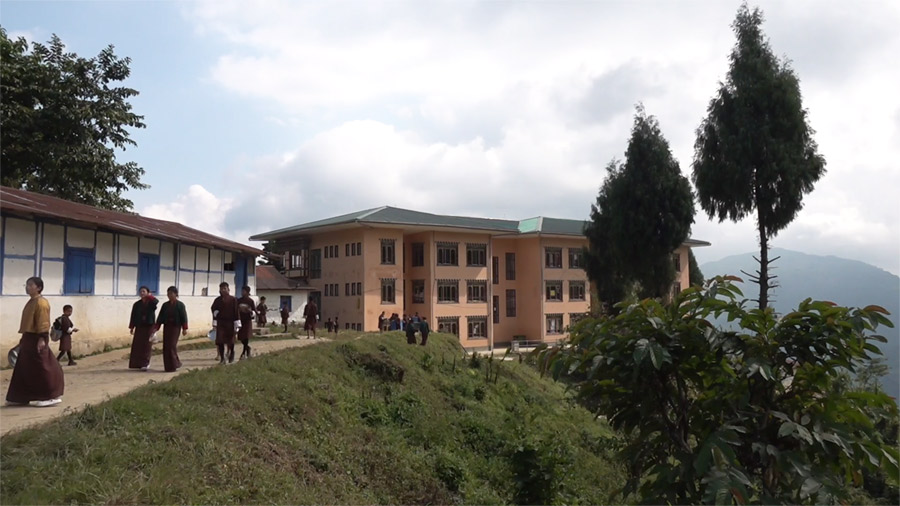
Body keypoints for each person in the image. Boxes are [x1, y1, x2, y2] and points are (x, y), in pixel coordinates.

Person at [6, 277, 64, 407]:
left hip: (37, 338)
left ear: (38, 288)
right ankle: (21, 396)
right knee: (24, 367)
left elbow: (43, 322)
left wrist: (43, 338)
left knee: (42, 366)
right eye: (27, 285)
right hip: (28, 338)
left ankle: (50, 395)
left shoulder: (41, 303)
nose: (27, 287)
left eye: (30, 285)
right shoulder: (31, 301)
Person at [155, 286, 188, 372]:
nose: (169, 295)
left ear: (176, 294)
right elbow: (160, 316)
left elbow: (183, 317)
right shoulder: (165, 305)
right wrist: (156, 327)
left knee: (171, 345)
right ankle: (168, 367)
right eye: (168, 294)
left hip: (175, 327)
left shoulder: (180, 305)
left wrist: (184, 328)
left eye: (171, 293)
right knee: (166, 346)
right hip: (167, 327)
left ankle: (175, 364)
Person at [129, 286, 158, 371]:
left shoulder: (151, 303)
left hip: (149, 326)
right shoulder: (137, 304)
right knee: (138, 345)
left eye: (144, 291)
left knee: (147, 345)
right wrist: (132, 327)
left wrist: (150, 296)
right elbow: (133, 316)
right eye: (141, 292)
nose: (142, 293)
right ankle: (137, 364)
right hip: (139, 326)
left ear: (148, 293)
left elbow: (156, 301)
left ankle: (146, 363)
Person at [211, 282, 240, 364]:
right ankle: (222, 358)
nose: (223, 290)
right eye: (221, 289)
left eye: (225, 288)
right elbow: (213, 309)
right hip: (221, 323)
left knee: (230, 340)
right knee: (220, 340)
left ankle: (231, 353)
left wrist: (237, 323)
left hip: (230, 322)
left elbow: (236, 311)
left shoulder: (233, 299)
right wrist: (215, 316)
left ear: (228, 289)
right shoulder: (217, 300)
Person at [237, 285, 257, 360]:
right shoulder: (239, 300)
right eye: (242, 291)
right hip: (241, 320)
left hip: (247, 320)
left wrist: (250, 312)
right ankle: (248, 348)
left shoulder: (250, 301)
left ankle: (243, 353)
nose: (242, 292)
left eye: (244, 291)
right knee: (241, 338)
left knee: (246, 336)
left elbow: (254, 311)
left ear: (247, 292)